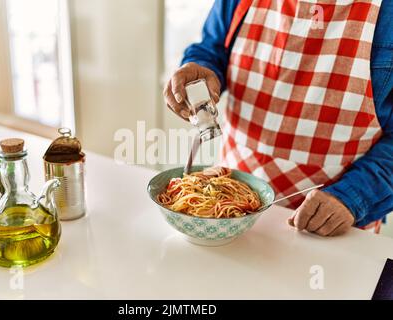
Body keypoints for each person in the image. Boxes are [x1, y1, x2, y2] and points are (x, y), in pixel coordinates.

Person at [164, 0, 393, 236]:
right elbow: (212, 49)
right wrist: (201, 72)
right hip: (228, 211)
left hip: (332, 226)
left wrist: (353, 197)